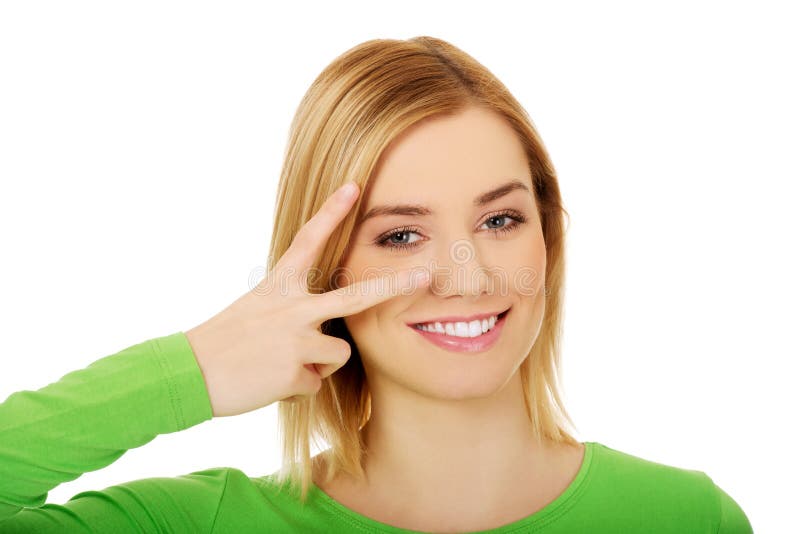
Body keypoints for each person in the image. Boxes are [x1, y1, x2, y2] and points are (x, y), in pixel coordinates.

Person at [0, 36, 752, 533]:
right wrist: (193, 370)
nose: (468, 278)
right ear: (323, 271)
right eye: (401, 235)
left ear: (547, 237)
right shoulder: (203, 523)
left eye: (499, 221)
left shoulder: (687, 517)